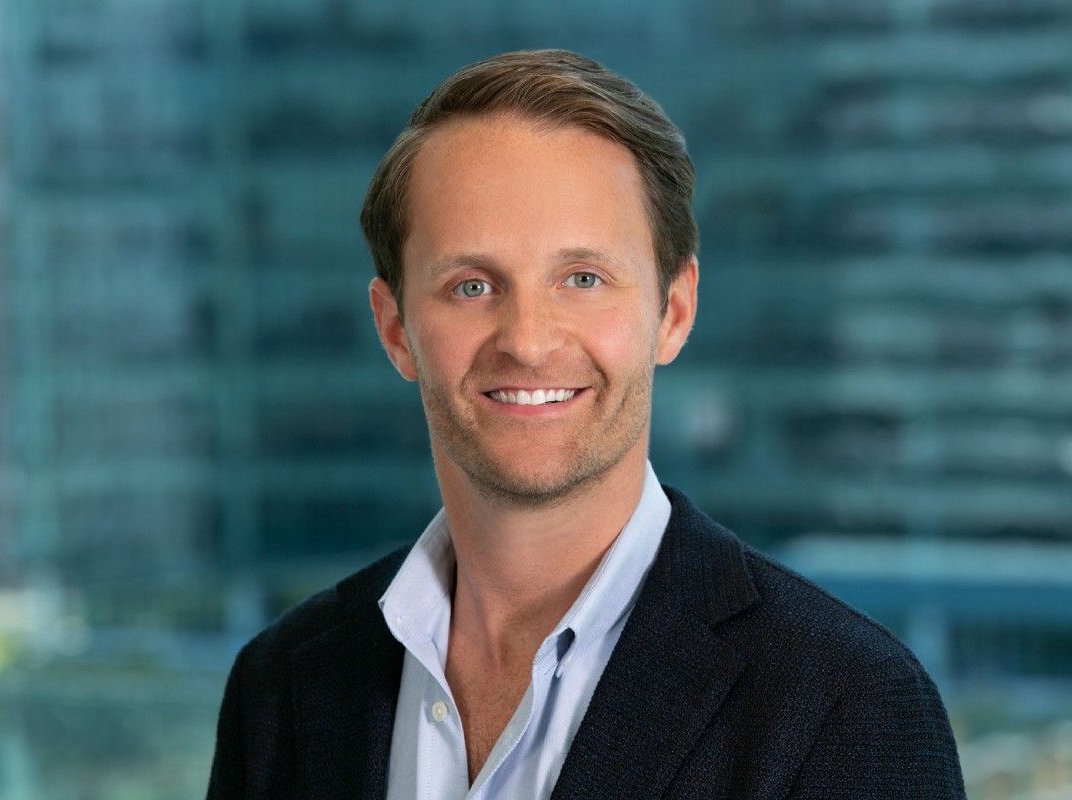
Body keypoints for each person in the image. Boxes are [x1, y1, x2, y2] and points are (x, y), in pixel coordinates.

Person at [206, 49, 967, 799]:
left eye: (582, 279)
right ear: (395, 327)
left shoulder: (847, 706)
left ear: (674, 310)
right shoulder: (281, 687)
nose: (528, 341)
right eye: (471, 286)